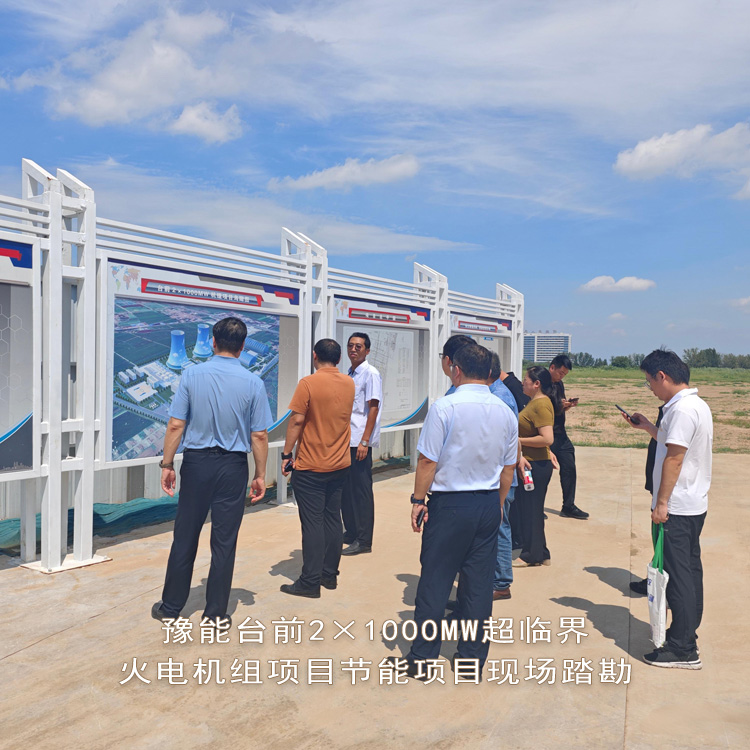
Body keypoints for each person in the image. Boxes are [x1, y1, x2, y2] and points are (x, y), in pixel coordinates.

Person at [403, 343, 518, 678]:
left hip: (450, 505)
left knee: (435, 581)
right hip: (487, 502)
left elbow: (427, 460)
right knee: (478, 587)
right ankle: (470, 660)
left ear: (456, 369)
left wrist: (418, 501)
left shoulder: (445, 407)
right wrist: (498, 504)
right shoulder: (504, 411)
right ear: (490, 372)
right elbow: (508, 467)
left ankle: (422, 659)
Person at [152, 317, 272, 626]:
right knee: (224, 541)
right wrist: (259, 474)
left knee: (185, 535)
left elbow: (176, 424)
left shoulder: (191, 375)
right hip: (233, 467)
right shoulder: (254, 382)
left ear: (214, 342)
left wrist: (167, 464)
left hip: (197, 465)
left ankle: (171, 607)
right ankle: (215, 613)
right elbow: (259, 435)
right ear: (242, 347)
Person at [623, 349, 712, 669]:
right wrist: (649, 427)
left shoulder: (682, 410)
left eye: (649, 382)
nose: (650, 388)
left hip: (677, 507)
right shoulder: (694, 405)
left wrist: (661, 503)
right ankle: (686, 633)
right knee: (688, 572)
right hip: (692, 504)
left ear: (662, 376)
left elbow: (674, 459)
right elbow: (670, 442)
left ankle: (683, 648)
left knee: (678, 577)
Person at [280, 338, 355, 598]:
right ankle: (329, 575)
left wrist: (286, 454)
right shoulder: (349, 383)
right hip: (340, 463)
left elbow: (296, 421)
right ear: (339, 358)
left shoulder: (308, 384)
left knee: (312, 524)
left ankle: (310, 581)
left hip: (311, 465)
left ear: (315, 356)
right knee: (333, 519)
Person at [513, 366, 562, 568]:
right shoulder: (536, 402)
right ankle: (541, 551)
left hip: (534, 465)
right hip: (533, 463)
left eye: (526, 379)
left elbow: (547, 438)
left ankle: (531, 555)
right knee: (531, 509)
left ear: (536, 384)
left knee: (531, 510)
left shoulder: (541, 404)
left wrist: (518, 441)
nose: (522, 382)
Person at [341, 332, 382, 556]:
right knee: (347, 489)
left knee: (361, 491)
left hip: (359, 441)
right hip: (347, 440)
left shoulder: (370, 373)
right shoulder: (349, 374)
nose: (353, 349)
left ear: (367, 350)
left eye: (358, 346)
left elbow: (373, 407)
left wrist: (365, 440)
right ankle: (351, 532)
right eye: (350, 346)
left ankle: (364, 540)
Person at [487, 353, 520, 600]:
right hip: (500, 474)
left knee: (499, 526)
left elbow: (503, 443)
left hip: (501, 476)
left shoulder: (499, 397)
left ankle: (501, 583)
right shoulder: (497, 393)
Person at [549, 354, 589, 520]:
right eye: (561, 373)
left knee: (569, 468)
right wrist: (560, 405)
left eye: (565, 374)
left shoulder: (559, 384)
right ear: (552, 367)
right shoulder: (541, 383)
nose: (562, 376)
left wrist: (567, 405)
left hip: (560, 433)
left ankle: (568, 506)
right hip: (545, 433)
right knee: (542, 473)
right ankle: (534, 507)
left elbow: (558, 406)